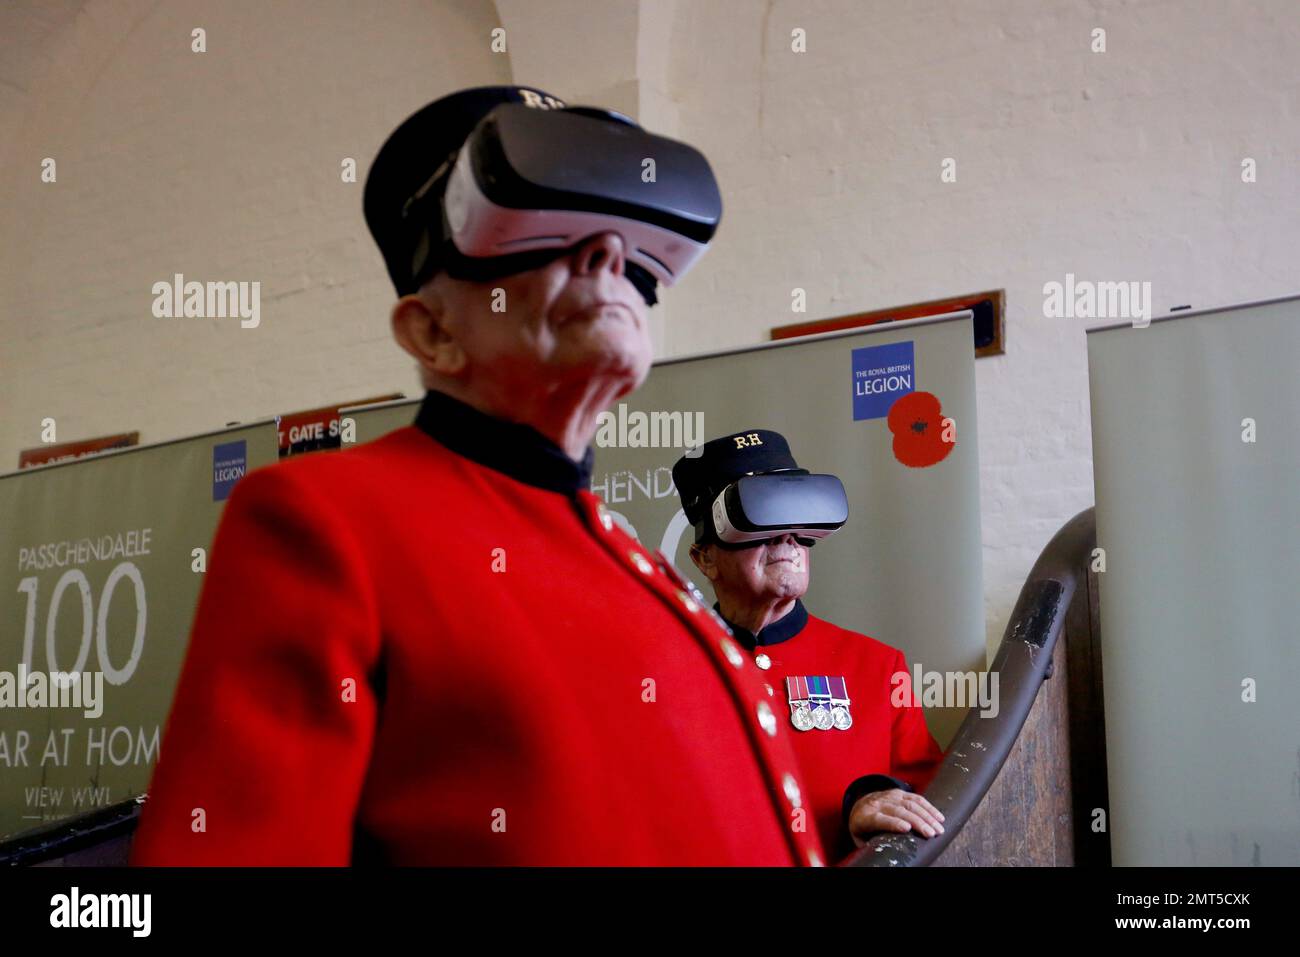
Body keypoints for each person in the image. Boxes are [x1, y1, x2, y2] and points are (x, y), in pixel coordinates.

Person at [130, 86, 822, 866]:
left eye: (622, 243)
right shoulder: (327, 520)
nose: (607, 258)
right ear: (432, 332)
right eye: (537, 234)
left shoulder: (630, 565)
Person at [672, 429, 946, 858]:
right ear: (705, 558)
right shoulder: (664, 672)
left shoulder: (877, 667)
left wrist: (875, 801)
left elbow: (936, 801)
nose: (785, 538)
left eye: (795, 522)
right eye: (759, 520)